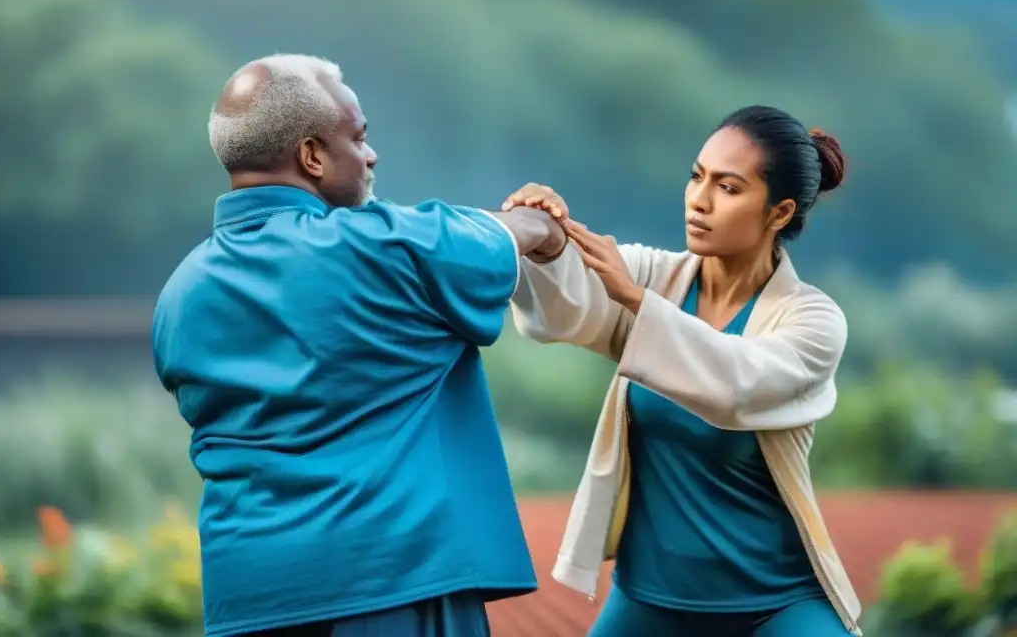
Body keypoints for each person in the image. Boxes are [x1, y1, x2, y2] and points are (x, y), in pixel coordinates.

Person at [151, 54, 566, 637]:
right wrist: (541, 225)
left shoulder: (178, 294)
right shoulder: (378, 247)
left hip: (247, 591)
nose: (371, 155)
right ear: (312, 155)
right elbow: (500, 237)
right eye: (359, 137)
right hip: (389, 579)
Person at [504, 105, 862, 636]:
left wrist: (635, 300)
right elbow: (568, 308)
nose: (700, 199)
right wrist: (550, 246)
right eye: (697, 177)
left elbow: (735, 385)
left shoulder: (813, 321)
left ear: (780, 212)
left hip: (774, 606)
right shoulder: (656, 276)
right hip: (648, 601)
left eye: (729, 187)